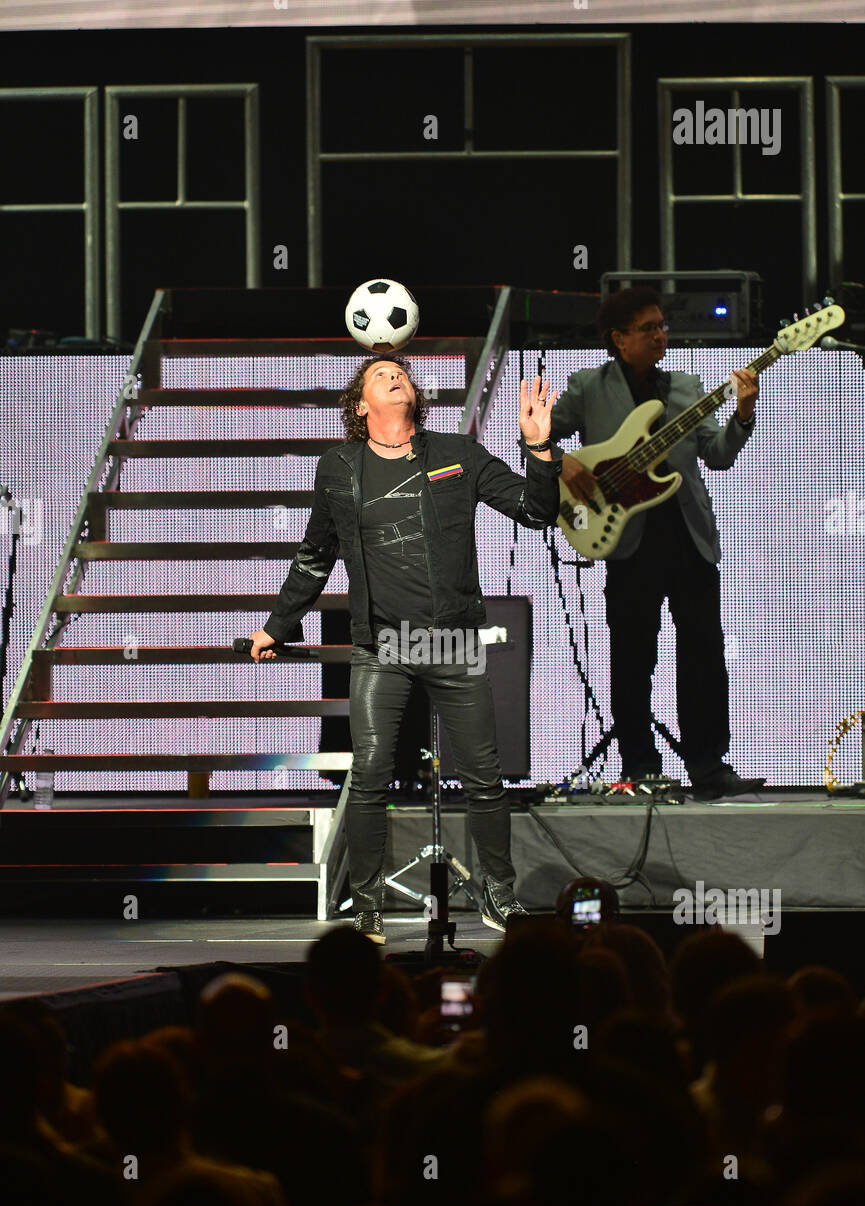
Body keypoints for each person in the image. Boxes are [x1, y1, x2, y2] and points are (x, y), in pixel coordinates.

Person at [248, 356, 563, 942]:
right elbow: (316, 553)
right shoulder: (340, 467)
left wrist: (539, 450)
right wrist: (278, 624)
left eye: (401, 372)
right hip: (383, 644)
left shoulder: (458, 454)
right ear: (361, 404)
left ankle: (498, 895)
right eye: (380, 374)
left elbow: (537, 510)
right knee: (369, 775)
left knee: (484, 778)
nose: (396, 376)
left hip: (451, 639)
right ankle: (367, 904)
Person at [549, 287, 764, 800]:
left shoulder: (687, 386)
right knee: (632, 657)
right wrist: (564, 462)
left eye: (663, 326)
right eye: (648, 328)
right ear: (618, 339)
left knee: (704, 655)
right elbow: (536, 435)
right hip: (625, 540)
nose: (660, 334)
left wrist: (743, 414)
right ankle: (641, 766)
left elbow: (717, 456)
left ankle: (709, 767)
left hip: (687, 539)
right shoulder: (588, 387)